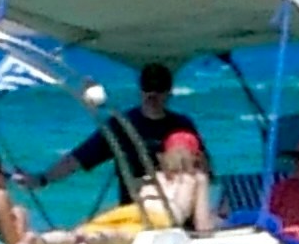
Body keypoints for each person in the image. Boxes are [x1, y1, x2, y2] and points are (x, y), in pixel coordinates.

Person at [24, 62, 216, 228]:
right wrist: (44, 179)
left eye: (158, 89)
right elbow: (78, 159)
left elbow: (205, 170)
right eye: (148, 88)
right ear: (140, 90)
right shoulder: (122, 125)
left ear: (169, 91)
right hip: (136, 210)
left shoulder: (182, 125)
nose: (153, 94)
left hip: (179, 211)